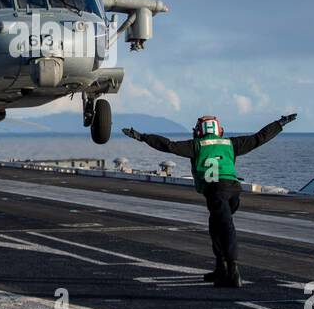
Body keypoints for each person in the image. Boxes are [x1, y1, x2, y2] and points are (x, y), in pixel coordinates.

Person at [123, 112, 297, 287]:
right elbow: (259, 138)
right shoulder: (231, 143)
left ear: (199, 131)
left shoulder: (196, 145)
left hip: (216, 191)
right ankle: (220, 268)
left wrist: (142, 137)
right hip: (233, 190)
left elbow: (167, 145)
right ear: (219, 130)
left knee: (225, 228)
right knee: (216, 226)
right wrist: (280, 123)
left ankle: (233, 271)